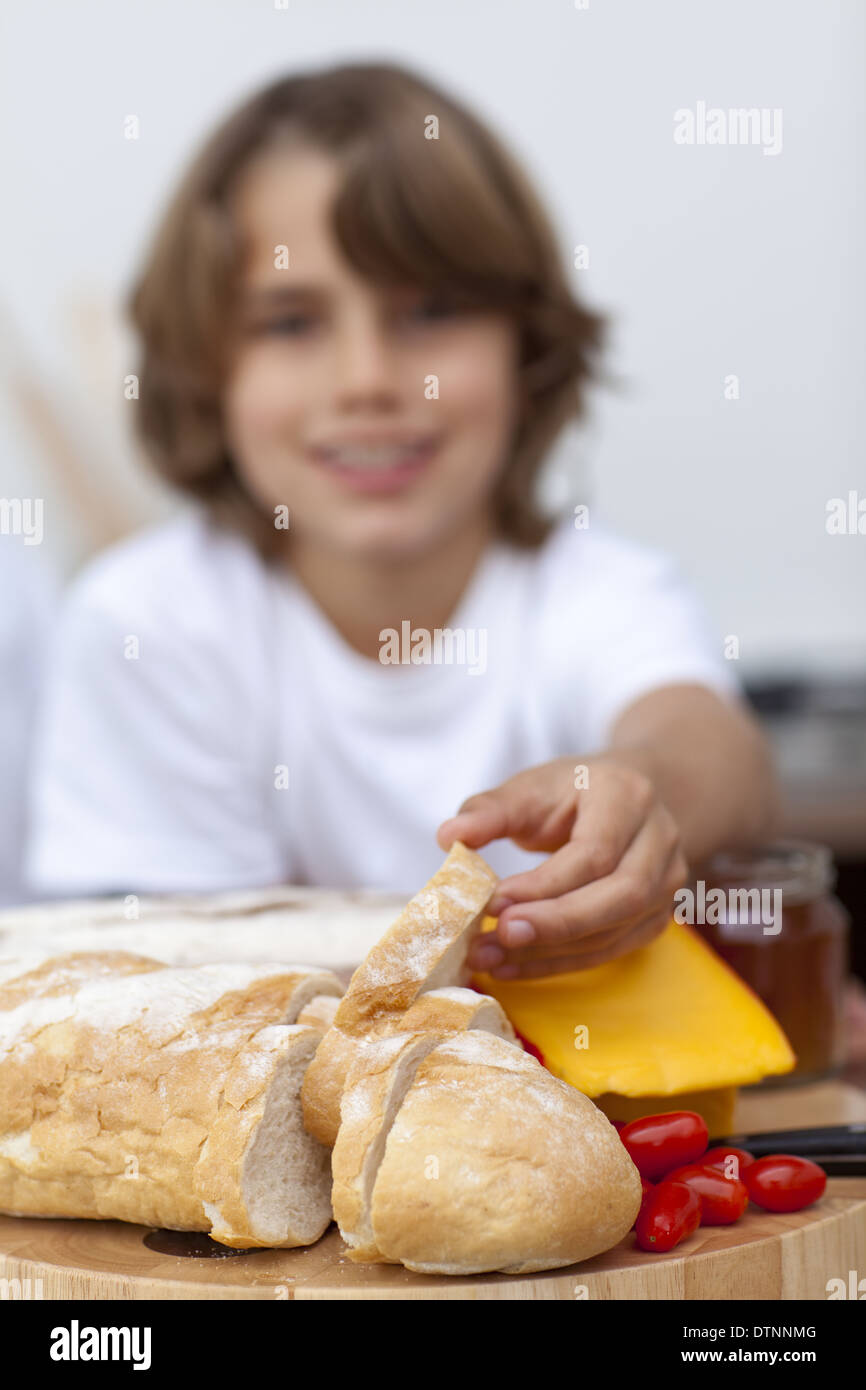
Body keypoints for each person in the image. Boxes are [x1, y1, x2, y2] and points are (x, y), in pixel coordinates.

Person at [25, 62, 776, 979]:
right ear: (206, 372)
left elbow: (711, 746)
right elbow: (179, 989)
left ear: (526, 348)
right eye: (291, 323)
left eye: (431, 311)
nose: (369, 380)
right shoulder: (149, 620)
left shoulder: (597, 591)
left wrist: (641, 790)